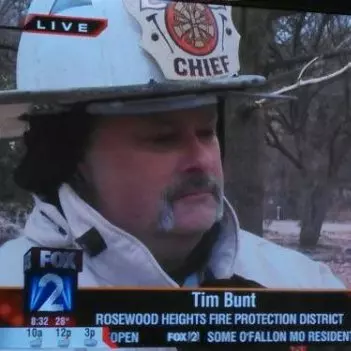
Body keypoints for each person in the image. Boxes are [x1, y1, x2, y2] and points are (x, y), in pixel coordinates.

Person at [0, 0, 345, 292]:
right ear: (70, 157)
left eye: (207, 132)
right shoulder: (12, 302)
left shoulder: (304, 289)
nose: (201, 160)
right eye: (162, 138)